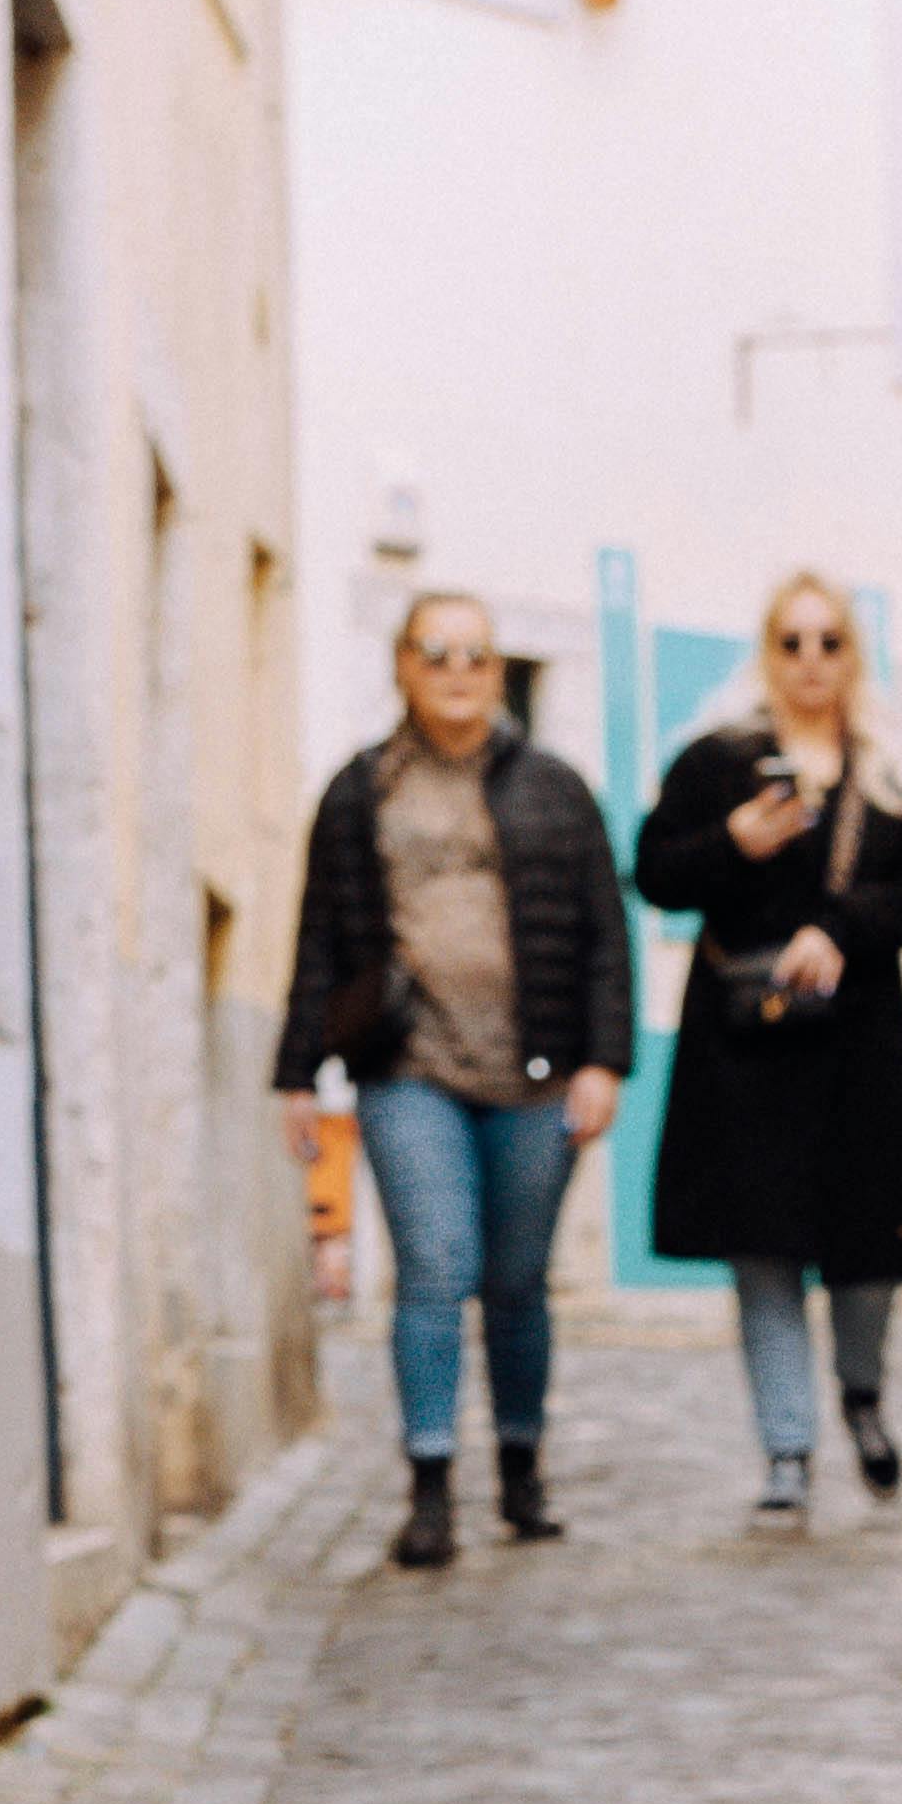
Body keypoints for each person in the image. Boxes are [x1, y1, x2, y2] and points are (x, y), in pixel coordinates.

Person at [276, 591, 630, 1568]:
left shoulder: (556, 788)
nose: (458, 671)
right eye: (437, 653)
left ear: (498, 672)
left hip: (537, 1069)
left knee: (516, 1282)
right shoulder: (358, 793)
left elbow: (606, 929)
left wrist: (604, 1060)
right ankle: (429, 1485)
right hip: (408, 1066)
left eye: (477, 654)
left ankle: (521, 1469)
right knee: (434, 1262)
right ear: (401, 667)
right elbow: (319, 939)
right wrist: (297, 1072)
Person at [634, 574, 902, 1526]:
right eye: (791, 642)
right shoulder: (717, 761)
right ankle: (786, 1447)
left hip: (858, 1047)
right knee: (762, 1253)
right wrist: (733, 843)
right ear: (765, 654)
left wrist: (844, 929)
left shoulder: (894, 769)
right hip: (749, 1047)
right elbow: (652, 871)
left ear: (854, 655)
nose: (811, 661)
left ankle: (861, 1396)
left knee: (868, 1254)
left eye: (829, 642)